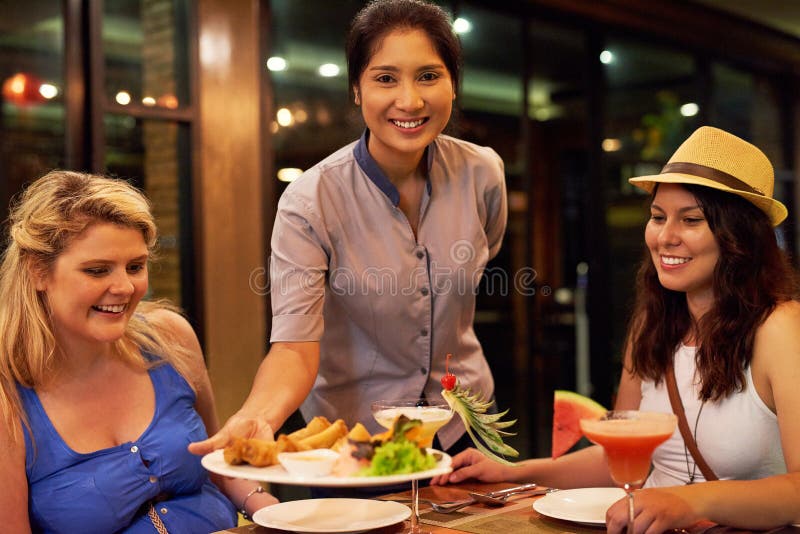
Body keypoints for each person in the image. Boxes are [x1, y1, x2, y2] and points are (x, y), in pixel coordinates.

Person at [431, 126, 800, 531]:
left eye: (691, 220)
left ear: (740, 238)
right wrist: (513, 471)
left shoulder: (780, 328)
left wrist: (688, 501)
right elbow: (620, 460)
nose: (665, 237)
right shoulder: (653, 325)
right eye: (658, 217)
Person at [190, 0, 507, 457]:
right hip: (360, 439)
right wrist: (259, 415)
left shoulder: (483, 173)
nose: (410, 100)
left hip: (465, 425)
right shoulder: (310, 201)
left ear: (453, 86)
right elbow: (295, 347)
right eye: (385, 78)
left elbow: (485, 251)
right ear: (357, 90)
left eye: (428, 76)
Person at [0, 171, 277, 533]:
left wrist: (269, 509)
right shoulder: (8, 396)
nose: (125, 287)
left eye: (135, 266)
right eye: (97, 270)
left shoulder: (170, 336)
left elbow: (216, 459)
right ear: (38, 271)